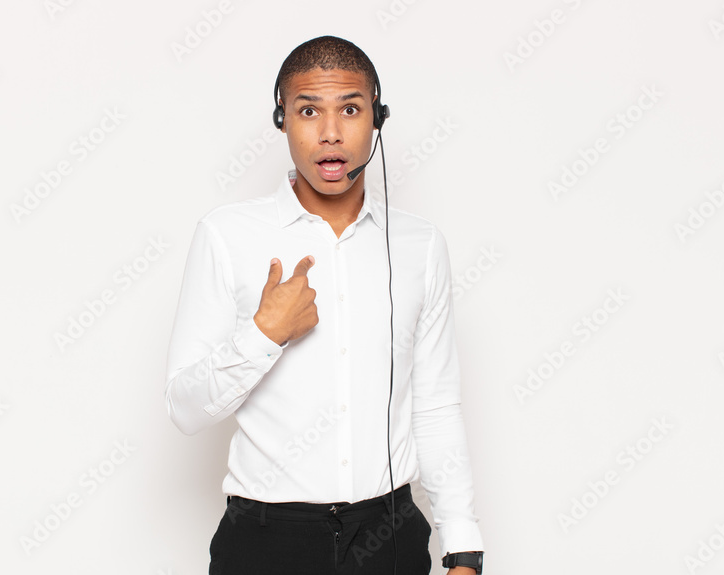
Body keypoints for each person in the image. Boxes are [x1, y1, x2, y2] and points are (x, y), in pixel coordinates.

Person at [165, 35, 485, 574]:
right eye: (309, 110)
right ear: (282, 119)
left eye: (351, 109)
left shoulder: (421, 245)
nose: (331, 132)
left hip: (388, 537)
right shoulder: (226, 235)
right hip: (264, 542)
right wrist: (264, 334)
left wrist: (463, 548)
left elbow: (434, 406)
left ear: (377, 118)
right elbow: (184, 409)